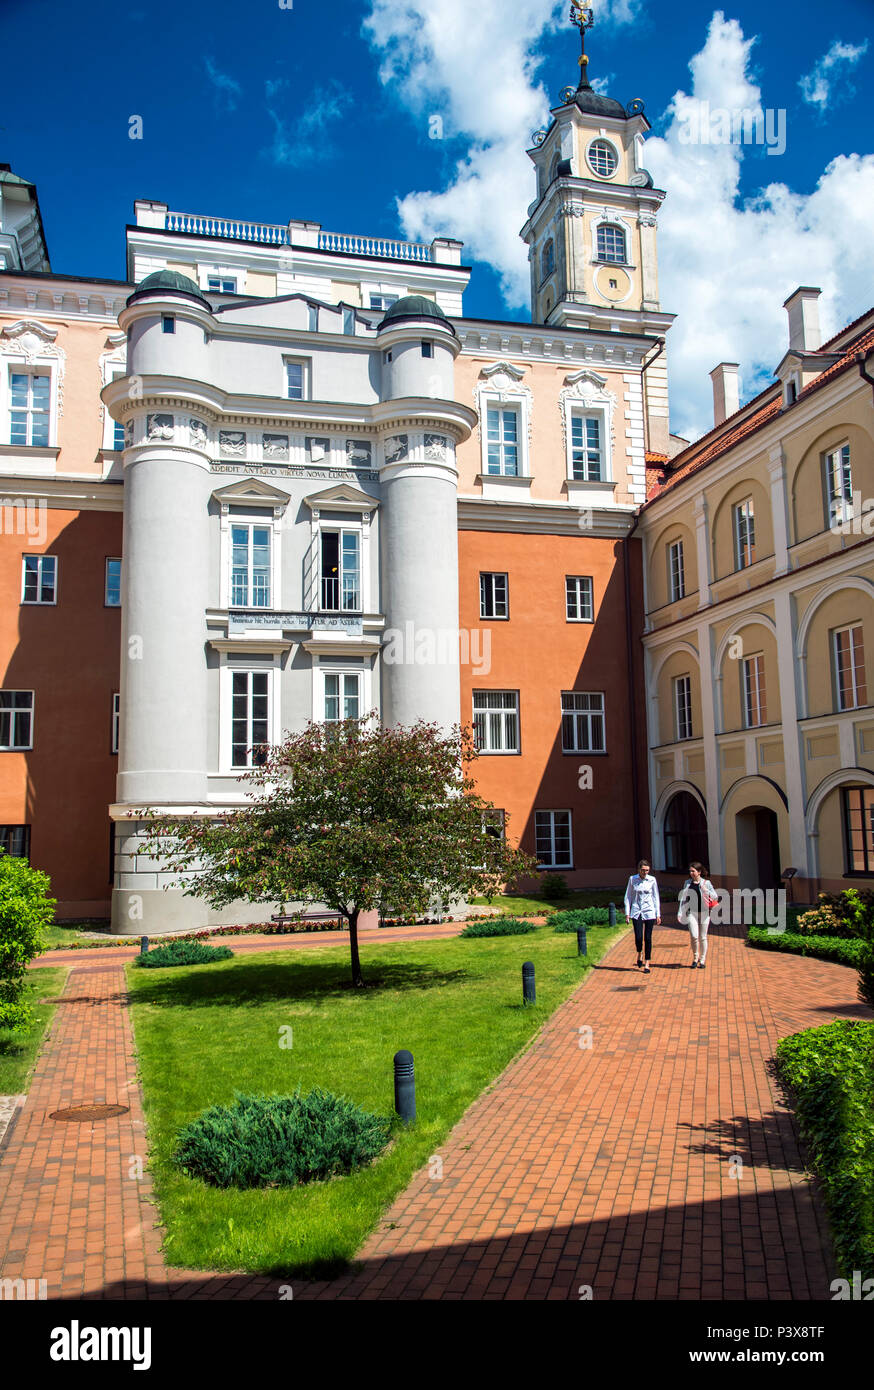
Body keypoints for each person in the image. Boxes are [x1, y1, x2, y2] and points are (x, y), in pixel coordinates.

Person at [624, 859, 661, 974]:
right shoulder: (632, 879)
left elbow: (656, 897)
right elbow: (628, 896)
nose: (645, 873)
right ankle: (639, 952)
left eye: (647, 870)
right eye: (643, 870)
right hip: (636, 912)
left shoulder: (652, 880)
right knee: (639, 937)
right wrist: (627, 913)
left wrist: (658, 914)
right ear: (639, 870)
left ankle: (647, 963)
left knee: (648, 938)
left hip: (649, 911)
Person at [678, 861, 717, 968]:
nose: (691, 873)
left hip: (705, 913)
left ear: (699, 872)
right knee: (694, 936)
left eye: (693, 871)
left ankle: (703, 959)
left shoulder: (706, 883)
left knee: (703, 937)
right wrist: (680, 912)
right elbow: (683, 899)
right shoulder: (687, 883)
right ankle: (695, 958)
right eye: (690, 871)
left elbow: (715, 896)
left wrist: (706, 891)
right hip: (691, 913)